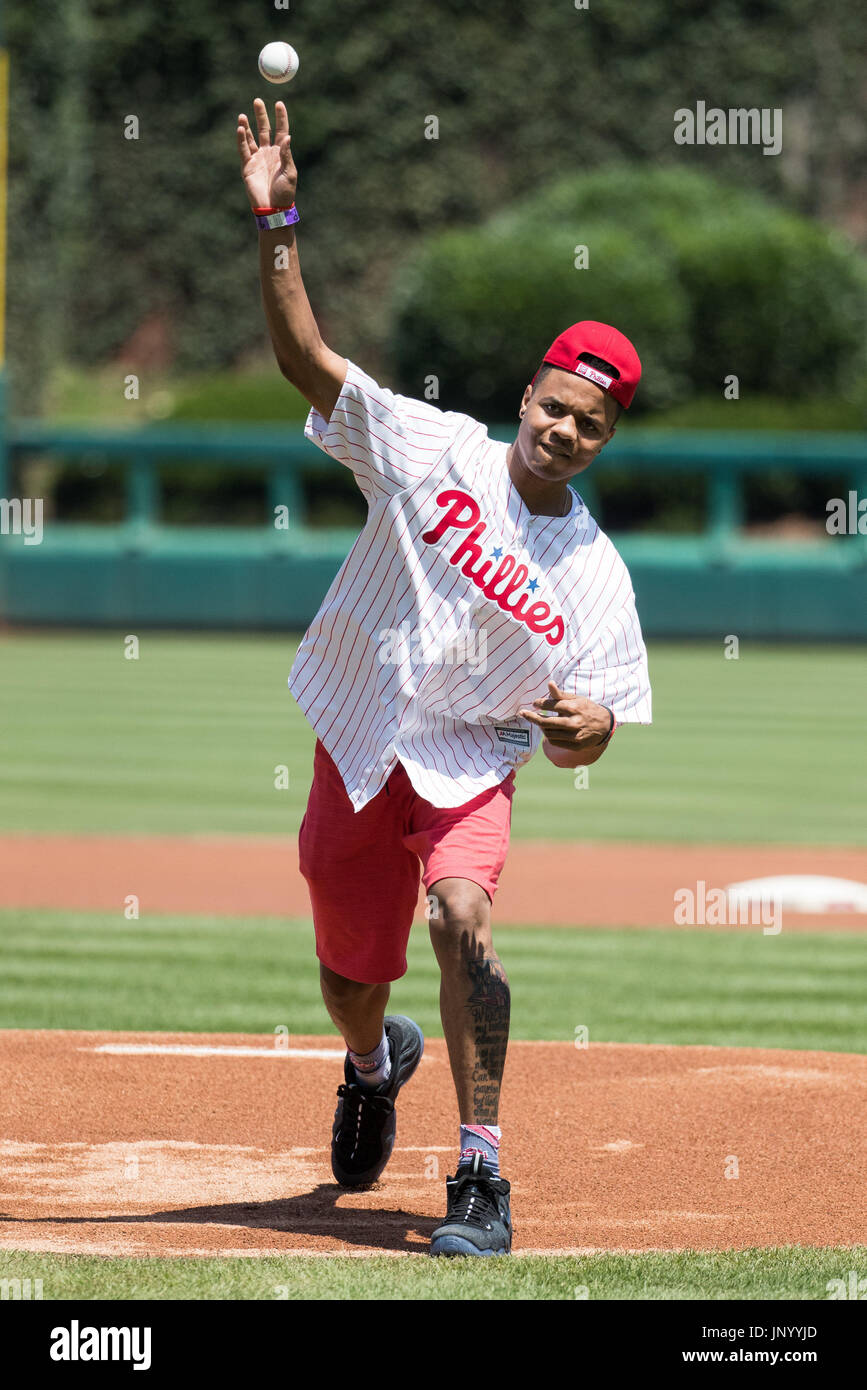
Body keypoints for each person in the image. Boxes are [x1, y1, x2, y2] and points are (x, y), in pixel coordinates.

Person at [237, 98, 652, 1257]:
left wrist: (588, 725)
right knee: (349, 975)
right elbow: (302, 359)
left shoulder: (596, 570)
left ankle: (481, 1173)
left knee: (463, 918)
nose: (565, 431)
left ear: (606, 440)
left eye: (591, 424)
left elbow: (597, 719)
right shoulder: (430, 447)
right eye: (557, 406)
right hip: (361, 734)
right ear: (529, 392)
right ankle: (373, 1065)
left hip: (470, 761)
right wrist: (277, 221)